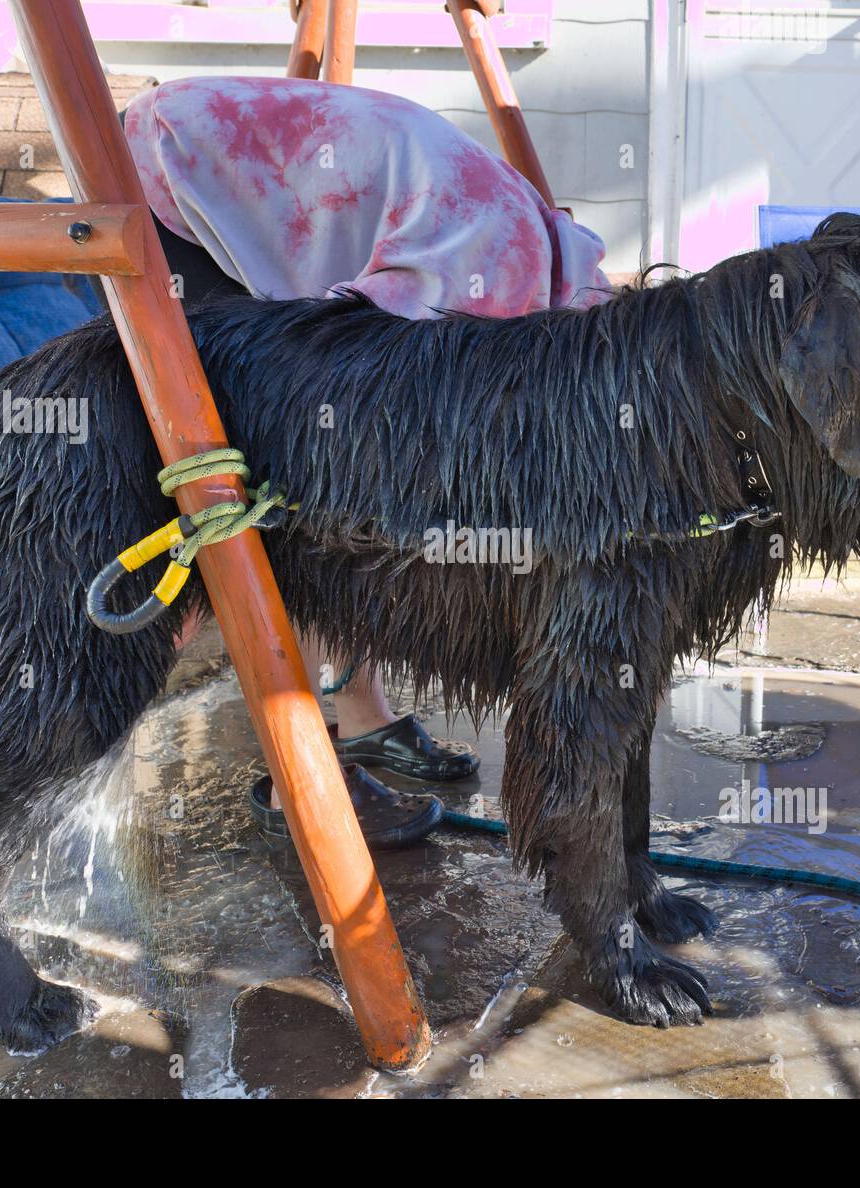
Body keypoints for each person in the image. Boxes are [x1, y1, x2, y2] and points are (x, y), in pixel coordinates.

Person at [120, 74, 613, 848]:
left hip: (238, 160)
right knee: (289, 484)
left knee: (344, 490)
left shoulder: (540, 263)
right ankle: (300, 774)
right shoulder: (492, 273)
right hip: (172, 175)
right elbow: (351, 367)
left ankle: (360, 718)